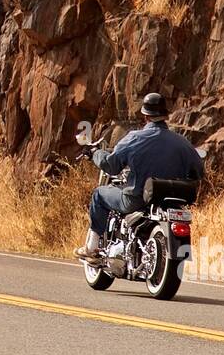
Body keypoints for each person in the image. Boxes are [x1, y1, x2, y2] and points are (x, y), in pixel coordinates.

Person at [74, 92, 204, 260]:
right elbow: (198, 172)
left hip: (137, 199)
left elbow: (111, 166)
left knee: (99, 194)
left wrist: (95, 154)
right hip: (171, 199)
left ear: (145, 116)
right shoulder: (183, 142)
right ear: (165, 115)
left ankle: (90, 249)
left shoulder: (135, 138)